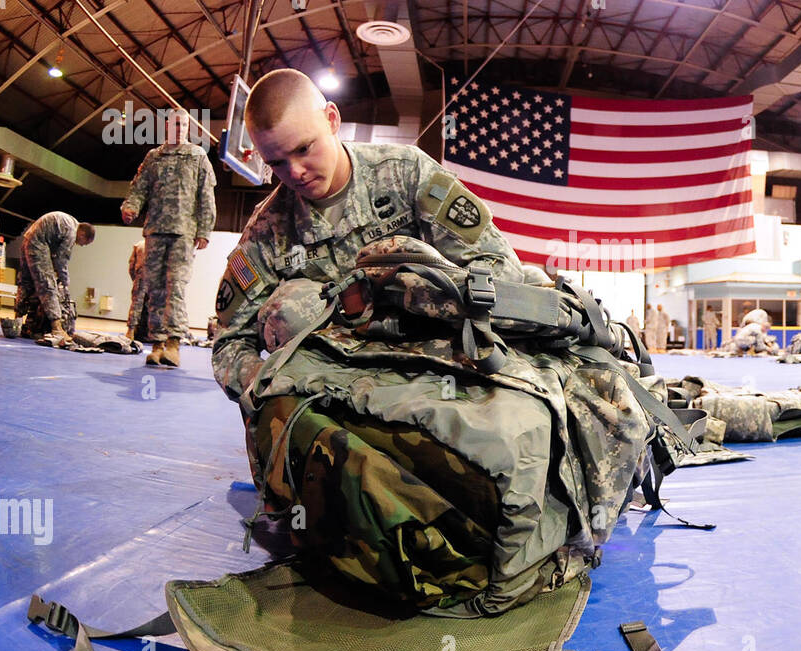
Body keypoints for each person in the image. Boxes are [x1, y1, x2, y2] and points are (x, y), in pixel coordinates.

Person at [212, 68, 524, 404]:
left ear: (332, 119)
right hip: (334, 392)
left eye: (303, 148)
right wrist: (272, 387)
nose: (295, 172)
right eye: (276, 163)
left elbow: (499, 267)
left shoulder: (406, 173)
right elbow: (229, 343)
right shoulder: (267, 230)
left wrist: (425, 300)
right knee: (291, 307)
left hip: (431, 370)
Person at [122, 109, 217, 368]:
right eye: (175, 124)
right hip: (155, 231)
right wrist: (131, 207)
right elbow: (139, 188)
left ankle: (174, 344)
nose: (179, 129)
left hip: (184, 232)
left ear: (188, 128)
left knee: (175, 287)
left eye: (184, 125)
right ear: (166, 126)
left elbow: (206, 196)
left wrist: (205, 230)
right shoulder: (154, 157)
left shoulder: (197, 156)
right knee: (154, 290)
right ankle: (157, 345)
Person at [15, 213, 96, 338]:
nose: (80, 245)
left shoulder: (69, 222)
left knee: (26, 282)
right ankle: (56, 327)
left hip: (28, 239)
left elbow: (55, 256)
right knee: (47, 285)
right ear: (82, 235)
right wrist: (65, 280)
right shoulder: (72, 232)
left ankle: (17, 322)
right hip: (38, 243)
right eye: (83, 243)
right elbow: (61, 260)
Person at [126, 239, 148, 340]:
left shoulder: (139, 244)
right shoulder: (162, 243)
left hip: (141, 276)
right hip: (157, 279)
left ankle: (131, 331)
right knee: (154, 306)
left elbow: (131, 263)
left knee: (136, 304)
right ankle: (152, 332)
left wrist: (134, 278)